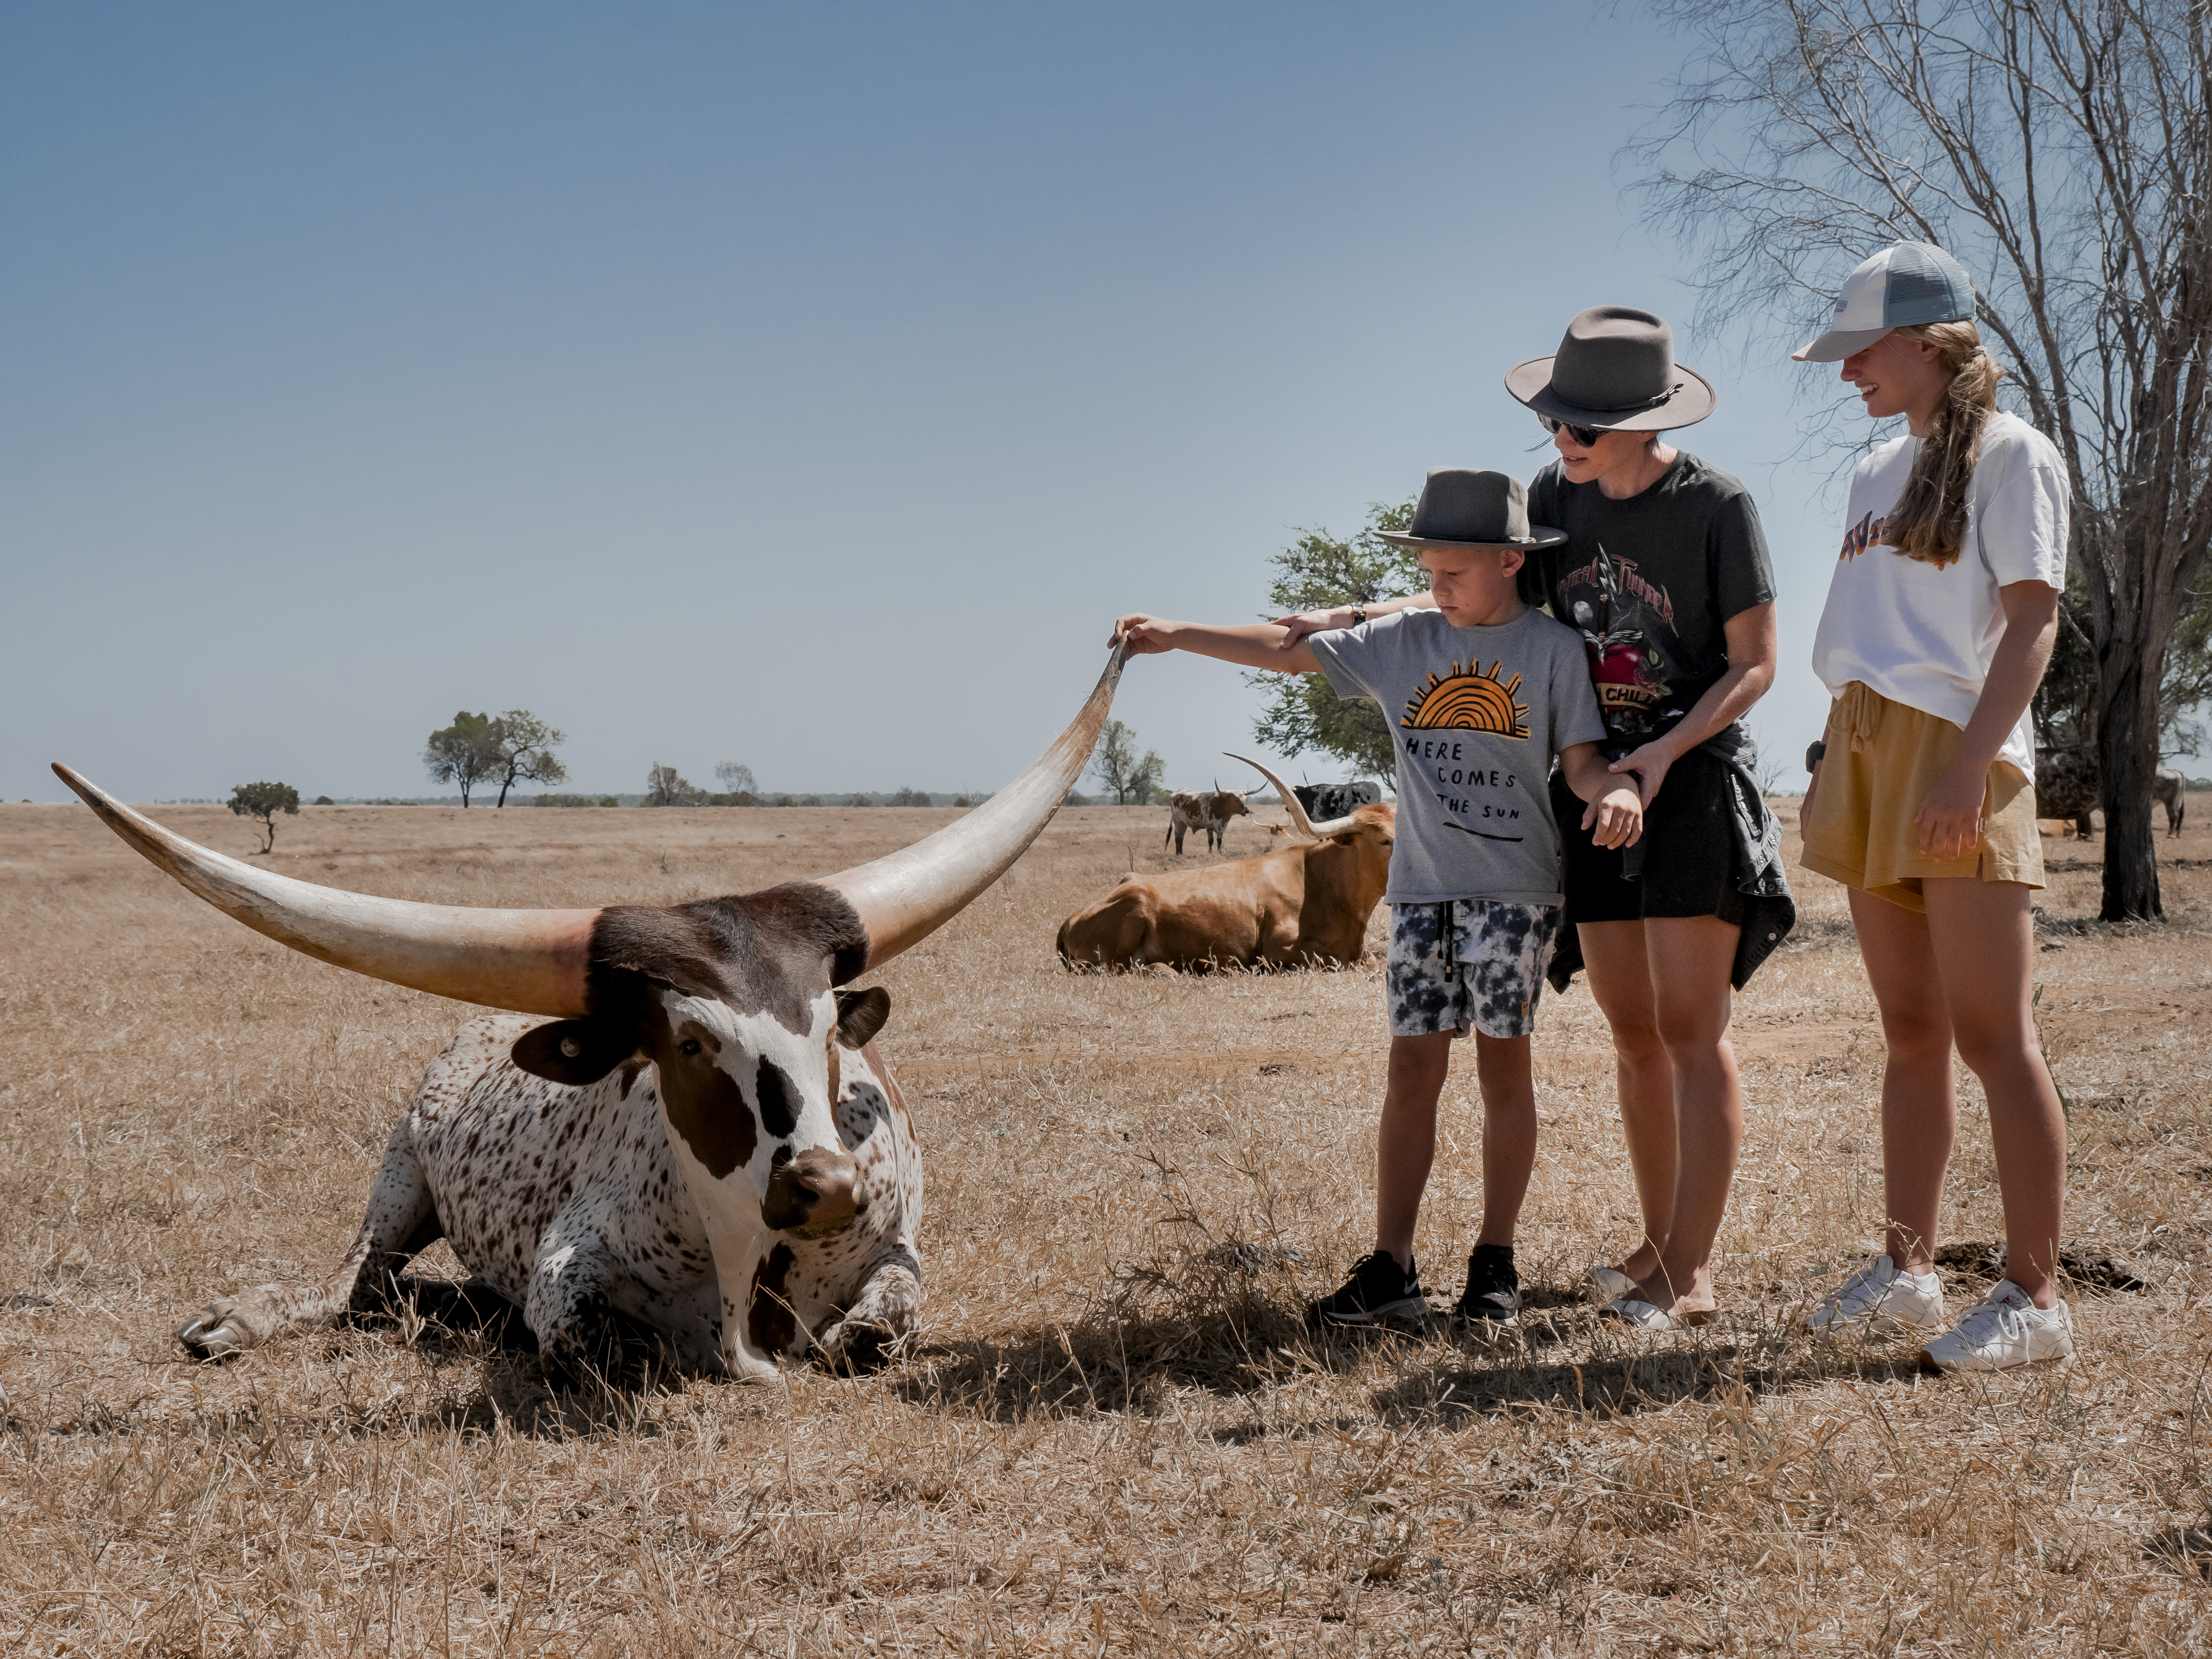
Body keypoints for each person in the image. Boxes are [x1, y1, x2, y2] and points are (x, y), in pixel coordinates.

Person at [1280, 308, 1789, 1330]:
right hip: (1590, 788)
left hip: (1683, 783)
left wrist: (1658, 757)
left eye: (1583, 427)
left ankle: (1691, 1274)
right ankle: (1653, 1248)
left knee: (1694, 1031)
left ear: (1646, 422)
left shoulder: (1718, 507)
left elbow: (1755, 663)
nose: (1562, 443)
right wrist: (1353, 617)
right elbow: (1476, 586)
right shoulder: (1558, 498)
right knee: (1634, 1035)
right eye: (1555, 421)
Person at [1112, 469, 1645, 1328]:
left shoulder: (1551, 651)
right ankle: (1392, 1266)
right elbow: (1286, 647)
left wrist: (1612, 789)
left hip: (1514, 892)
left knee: (1503, 1070)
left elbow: (1579, 758)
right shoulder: (1404, 641)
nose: (1437, 589)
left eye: (1453, 574)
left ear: (1511, 559)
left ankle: (1493, 1262)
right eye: (1429, 572)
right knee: (1411, 1070)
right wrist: (1179, 634)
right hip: (1421, 892)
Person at [1793, 242, 2074, 1371]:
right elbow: (1867, 633)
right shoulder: (1873, 472)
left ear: (1924, 343)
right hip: (1864, 745)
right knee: (1910, 1031)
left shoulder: (2013, 454)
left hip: (1963, 749)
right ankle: (1910, 1269)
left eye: (1862, 350)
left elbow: (2034, 620)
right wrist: (1831, 759)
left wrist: (1969, 767)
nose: (1847, 370)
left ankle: (2035, 1297)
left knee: (1995, 1035)